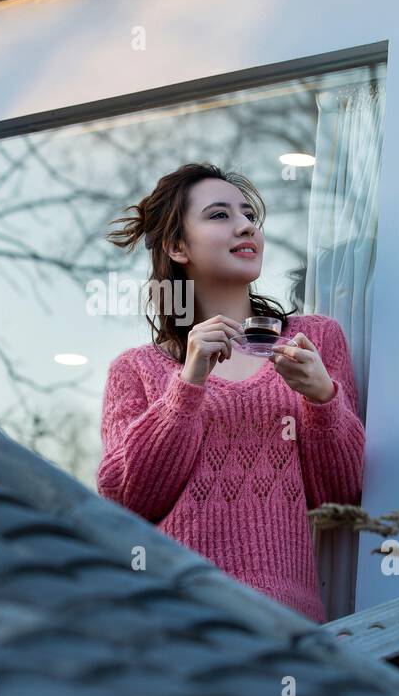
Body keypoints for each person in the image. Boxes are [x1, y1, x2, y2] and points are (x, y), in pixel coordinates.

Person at [96, 162, 366, 623]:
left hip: (288, 621)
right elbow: (128, 500)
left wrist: (323, 398)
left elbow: (341, 495)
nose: (245, 226)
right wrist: (188, 385)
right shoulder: (137, 369)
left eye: (249, 215)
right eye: (219, 215)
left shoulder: (313, 340)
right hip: (173, 623)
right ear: (178, 246)